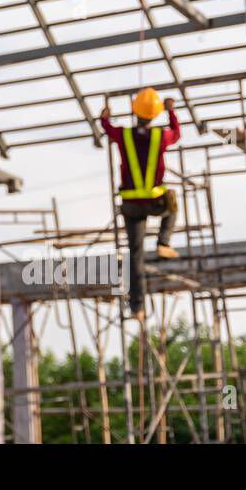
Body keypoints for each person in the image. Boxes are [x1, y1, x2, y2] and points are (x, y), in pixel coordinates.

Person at [99, 87, 181, 321]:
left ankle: (137, 307)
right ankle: (163, 241)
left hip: (131, 205)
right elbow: (176, 133)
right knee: (172, 204)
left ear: (135, 112)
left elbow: (107, 128)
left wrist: (104, 116)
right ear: (155, 114)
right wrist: (172, 112)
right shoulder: (160, 136)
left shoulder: (124, 135)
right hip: (155, 201)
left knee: (135, 256)